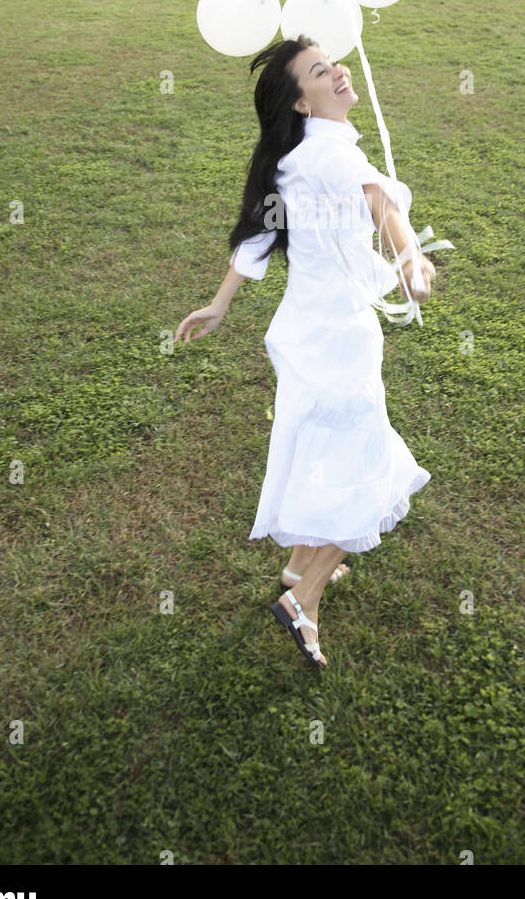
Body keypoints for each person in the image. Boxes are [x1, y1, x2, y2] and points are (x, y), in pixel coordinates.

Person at [174, 34, 437, 667]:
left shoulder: (295, 159)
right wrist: (410, 256)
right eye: (321, 71)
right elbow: (378, 201)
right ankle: (303, 601)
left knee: (323, 447)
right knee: (368, 470)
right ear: (301, 102)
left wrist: (220, 304)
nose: (340, 72)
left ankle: (298, 568)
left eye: (334, 62)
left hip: (305, 334)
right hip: (338, 339)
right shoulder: (327, 157)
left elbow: (260, 237)